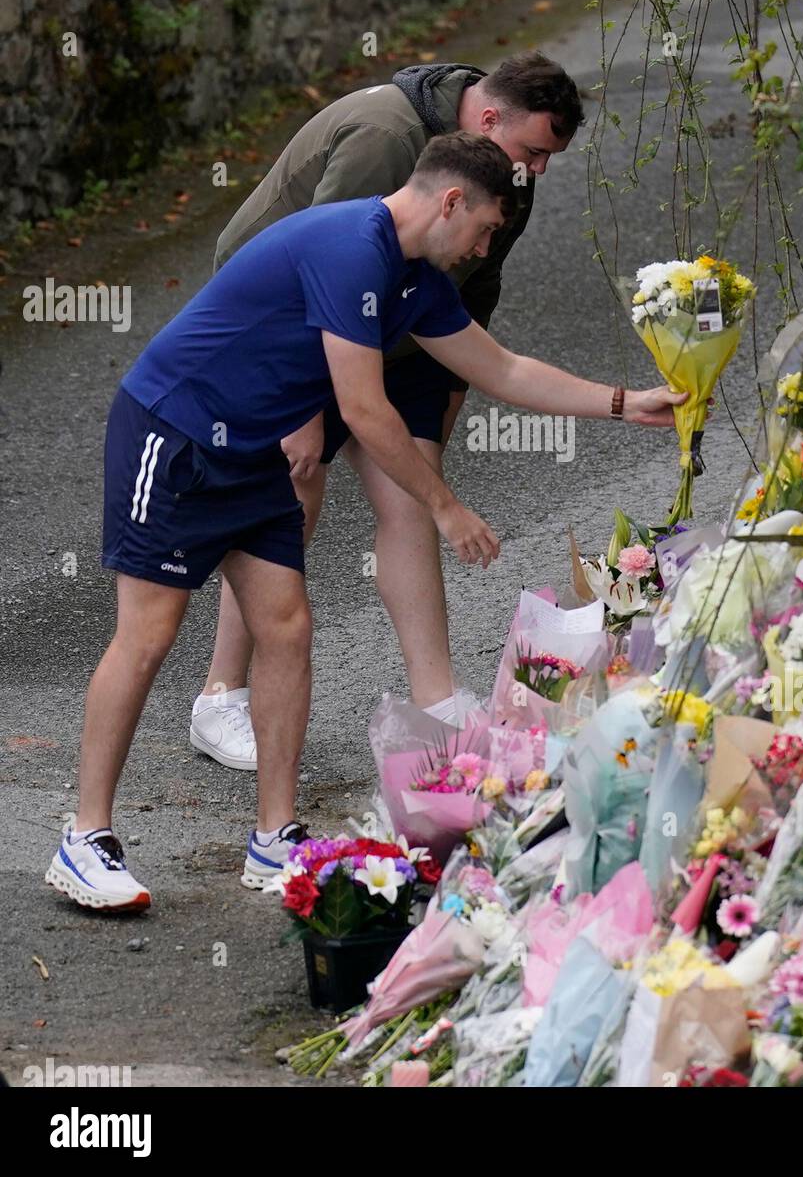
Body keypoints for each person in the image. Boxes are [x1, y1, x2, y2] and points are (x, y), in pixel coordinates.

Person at [45, 133, 686, 912]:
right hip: (173, 433)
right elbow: (361, 407)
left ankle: (273, 838)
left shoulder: (417, 279)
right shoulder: (353, 246)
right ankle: (86, 838)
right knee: (147, 635)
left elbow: (503, 370)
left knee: (285, 629)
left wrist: (628, 403)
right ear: (450, 201)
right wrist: (444, 508)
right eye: (484, 228)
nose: (486, 247)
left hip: (253, 458)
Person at [190, 53, 583, 772]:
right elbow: (311, 270)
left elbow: (477, 286)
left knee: (411, 494)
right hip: (295, 325)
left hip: (407, 326)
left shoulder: (504, 177)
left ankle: (438, 705)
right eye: (533, 149)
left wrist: (447, 405)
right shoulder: (383, 137)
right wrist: (298, 405)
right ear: (489, 118)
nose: (538, 170)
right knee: (289, 493)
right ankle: (219, 697)